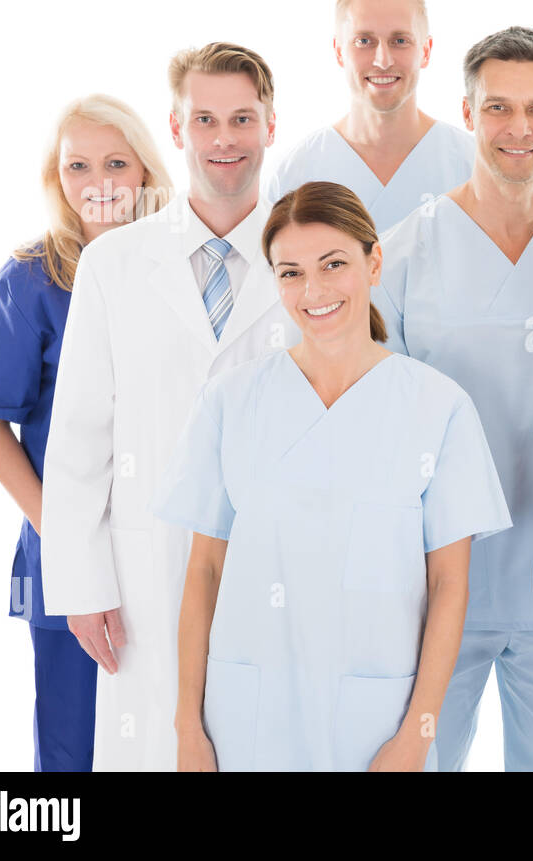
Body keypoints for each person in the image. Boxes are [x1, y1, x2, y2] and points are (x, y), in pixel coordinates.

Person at [154, 182, 510, 771]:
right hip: (246, 714)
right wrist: (187, 729)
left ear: (374, 262)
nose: (312, 290)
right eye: (290, 272)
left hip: (377, 720)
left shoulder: (437, 406)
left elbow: (450, 587)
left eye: (334, 264)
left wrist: (418, 734)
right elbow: (205, 570)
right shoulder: (230, 400)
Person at [40, 43, 300, 771]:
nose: (225, 139)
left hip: (274, 564)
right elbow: (80, 439)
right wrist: (83, 583)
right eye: (206, 119)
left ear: (271, 124)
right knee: (150, 744)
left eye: (242, 118)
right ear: (177, 127)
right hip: (142, 573)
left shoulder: (309, 253)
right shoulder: (115, 264)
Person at [373, 26, 533, 771]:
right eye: (498, 107)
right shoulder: (404, 252)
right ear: (467, 113)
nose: (520, 129)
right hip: (438, 586)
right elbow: (378, 427)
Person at [0, 95, 172, 771]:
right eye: (78, 165)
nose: (99, 182)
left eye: (116, 162)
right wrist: (66, 538)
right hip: (62, 557)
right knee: (72, 756)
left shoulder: (180, 267)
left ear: (145, 172)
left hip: (168, 545)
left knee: (170, 742)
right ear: (57, 178)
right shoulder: (31, 278)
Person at [265, 0, 473, 232]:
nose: (383, 60)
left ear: (426, 51)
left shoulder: (471, 166)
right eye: (364, 41)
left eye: (400, 41)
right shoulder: (295, 173)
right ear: (340, 52)